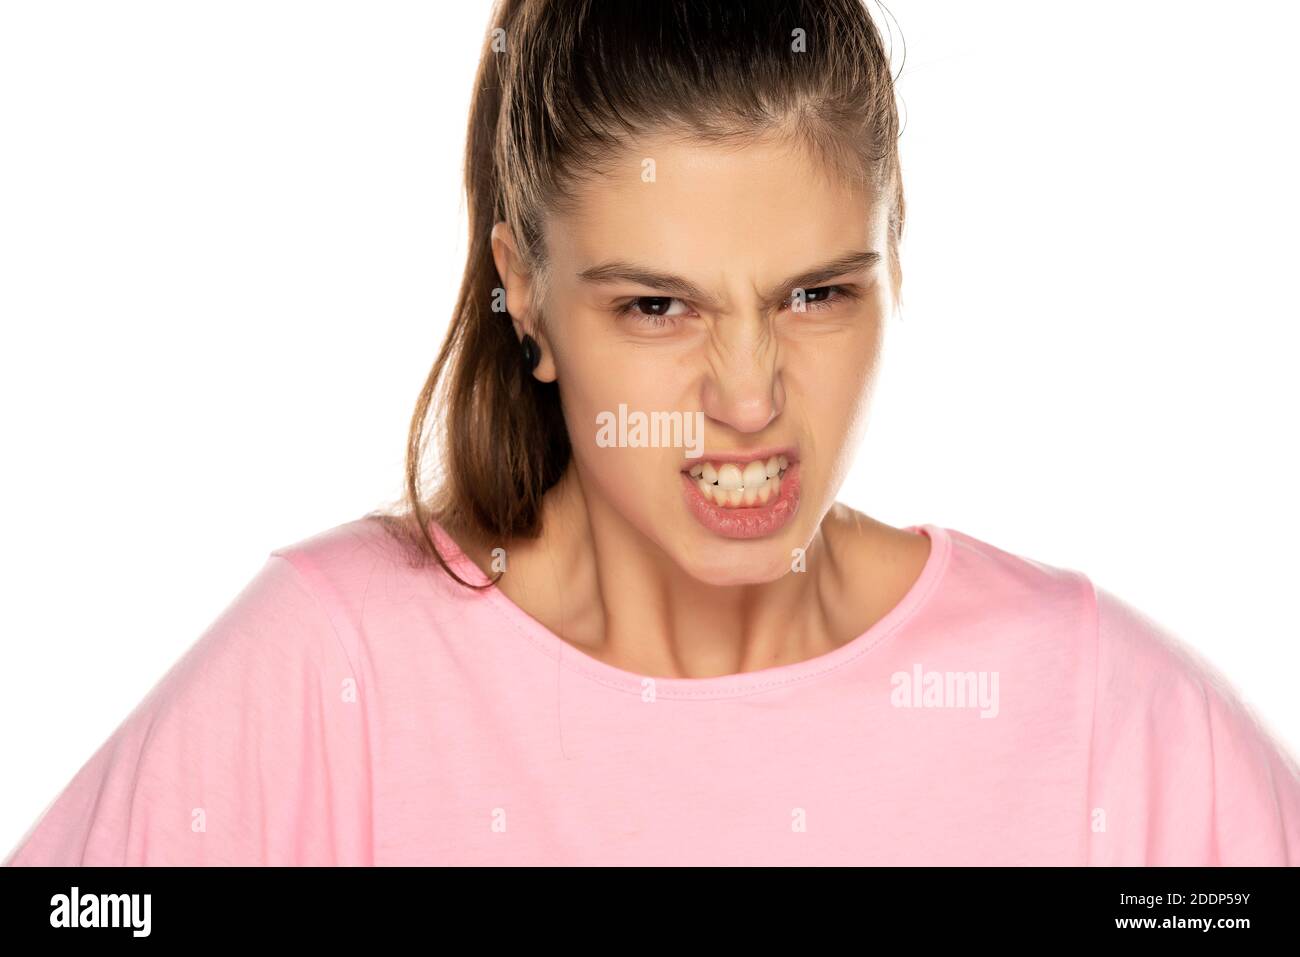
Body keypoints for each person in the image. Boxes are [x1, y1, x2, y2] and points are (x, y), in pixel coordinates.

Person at [6, 0, 1299, 866]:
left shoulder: (1118, 729)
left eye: (815, 293)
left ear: (897, 256)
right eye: (658, 306)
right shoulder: (329, 681)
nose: (748, 396)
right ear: (526, 290)